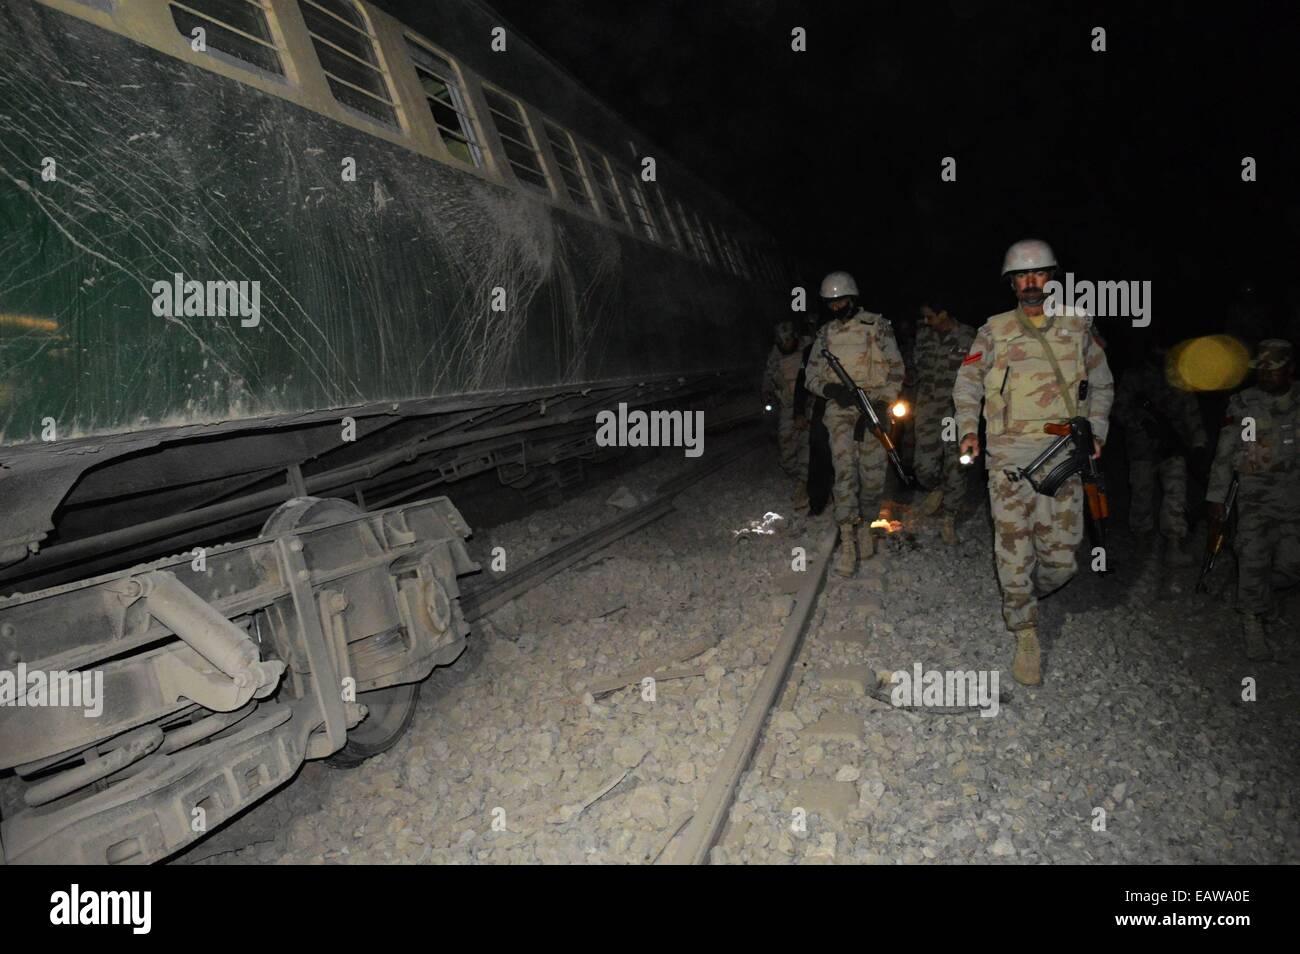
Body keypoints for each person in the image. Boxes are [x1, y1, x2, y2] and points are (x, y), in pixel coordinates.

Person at [952, 239, 1114, 685]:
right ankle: (1024, 630)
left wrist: (1096, 432)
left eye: (1038, 274)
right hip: (1007, 460)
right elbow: (967, 383)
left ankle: (1028, 593)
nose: (1030, 283)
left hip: (1062, 458)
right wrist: (969, 429)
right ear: (1010, 284)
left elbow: (1102, 385)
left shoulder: (1078, 326)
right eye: (1022, 276)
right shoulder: (993, 331)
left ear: (1053, 277)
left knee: (1063, 560)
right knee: (1013, 551)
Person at [804, 271, 905, 576]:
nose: (837, 308)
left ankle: (867, 525)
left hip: (874, 406)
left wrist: (883, 402)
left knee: (873, 475)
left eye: (842, 301)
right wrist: (830, 389)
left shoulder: (877, 326)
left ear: (853, 299)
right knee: (844, 471)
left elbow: (897, 369)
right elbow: (810, 376)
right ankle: (848, 536)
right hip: (840, 411)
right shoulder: (825, 334)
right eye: (831, 303)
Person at [1205, 338, 1299, 660]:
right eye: (1261, 370)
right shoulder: (1243, 403)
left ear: (1289, 370)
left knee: (1291, 565)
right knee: (1253, 558)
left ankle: (1265, 596)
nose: (1266, 376)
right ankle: (1252, 622)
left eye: (1273, 370)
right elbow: (1225, 452)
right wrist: (1217, 497)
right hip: (1254, 496)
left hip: (1295, 498)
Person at [1112, 347, 1208, 565]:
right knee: (1141, 495)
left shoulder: (1179, 377)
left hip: (1172, 447)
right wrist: (1140, 422)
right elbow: (1118, 410)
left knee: (1176, 493)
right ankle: (1141, 542)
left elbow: (1191, 412)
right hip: (1141, 449)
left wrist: (1199, 444)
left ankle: (1174, 545)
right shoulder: (1135, 375)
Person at [913, 299, 976, 543]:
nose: (927, 321)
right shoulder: (924, 337)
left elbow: (980, 375)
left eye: (931, 316)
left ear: (945, 312)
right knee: (923, 466)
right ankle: (937, 488)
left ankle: (949, 517)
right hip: (928, 409)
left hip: (956, 410)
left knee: (957, 463)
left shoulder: (969, 337)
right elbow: (917, 367)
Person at [763, 320, 813, 508]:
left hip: (809, 403)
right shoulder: (774, 357)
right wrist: (767, 396)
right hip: (788, 405)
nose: (786, 344)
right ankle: (797, 473)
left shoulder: (808, 347)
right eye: (782, 341)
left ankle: (804, 480)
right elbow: (768, 379)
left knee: (807, 442)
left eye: (788, 340)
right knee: (786, 442)